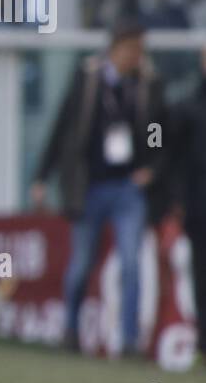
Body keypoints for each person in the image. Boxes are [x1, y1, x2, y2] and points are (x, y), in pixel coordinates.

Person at [32, 19, 165, 356]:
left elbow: (158, 134)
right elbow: (64, 127)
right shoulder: (87, 78)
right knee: (81, 264)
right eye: (132, 49)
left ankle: (130, 341)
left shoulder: (147, 86)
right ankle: (71, 330)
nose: (137, 57)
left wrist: (151, 168)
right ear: (116, 49)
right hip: (89, 185)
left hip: (127, 188)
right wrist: (41, 176)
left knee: (132, 263)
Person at [168, 46, 206, 358]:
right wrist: (177, 201)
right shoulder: (186, 107)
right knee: (201, 275)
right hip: (199, 208)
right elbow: (173, 159)